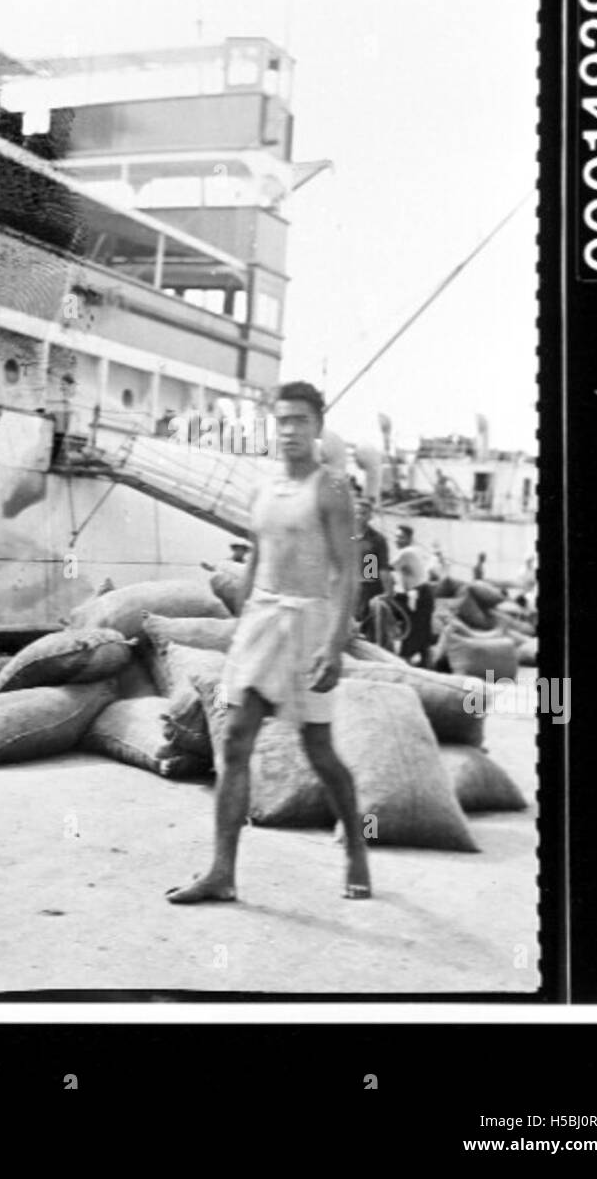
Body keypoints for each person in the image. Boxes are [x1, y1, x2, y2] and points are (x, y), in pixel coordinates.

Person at [166, 380, 371, 904]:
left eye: (300, 420)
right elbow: (256, 557)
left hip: (310, 623)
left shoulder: (332, 489)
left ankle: (356, 850)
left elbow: (348, 574)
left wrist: (333, 644)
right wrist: (240, 629)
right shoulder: (260, 489)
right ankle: (221, 872)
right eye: (281, 420)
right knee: (235, 742)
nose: (290, 430)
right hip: (261, 622)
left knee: (318, 749)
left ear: (318, 426)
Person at [352, 489, 392, 635]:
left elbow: (378, 570)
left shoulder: (374, 540)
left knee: (367, 629)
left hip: (367, 589)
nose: (358, 516)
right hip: (348, 588)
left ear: (370, 516)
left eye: (363, 513)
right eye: (356, 512)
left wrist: (388, 591)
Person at [391, 547, 435, 666]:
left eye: (400, 537)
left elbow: (389, 568)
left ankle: (410, 662)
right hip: (422, 594)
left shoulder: (406, 554)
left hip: (418, 595)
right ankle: (425, 663)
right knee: (422, 633)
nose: (397, 540)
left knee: (414, 633)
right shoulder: (413, 552)